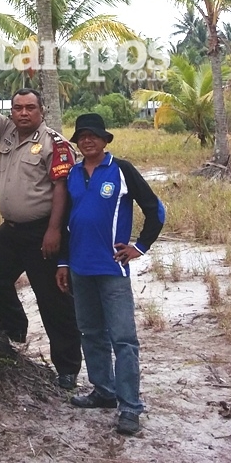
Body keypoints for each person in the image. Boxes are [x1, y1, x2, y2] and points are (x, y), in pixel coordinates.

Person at [0, 70, 83, 389]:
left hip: (43, 231)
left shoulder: (53, 143)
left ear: (41, 111)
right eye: (18, 108)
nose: (23, 113)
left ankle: (69, 367)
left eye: (30, 108)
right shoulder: (6, 133)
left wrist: (54, 230)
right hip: (11, 231)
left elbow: (62, 188)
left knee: (53, 299)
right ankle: (14, 326)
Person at [56, 113, 165, 437]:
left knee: (124, 340)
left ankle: (130, 407)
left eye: (93, 135)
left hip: (112, 270)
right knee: (90, 333)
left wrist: (140, 246)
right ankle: (103, 391)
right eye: (82, 136)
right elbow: (65, 223)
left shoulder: (122, 170)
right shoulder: (72, 175)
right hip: (79, 269)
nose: (87, 141)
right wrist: (63, 262)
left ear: (105, 140)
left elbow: (155, 210)